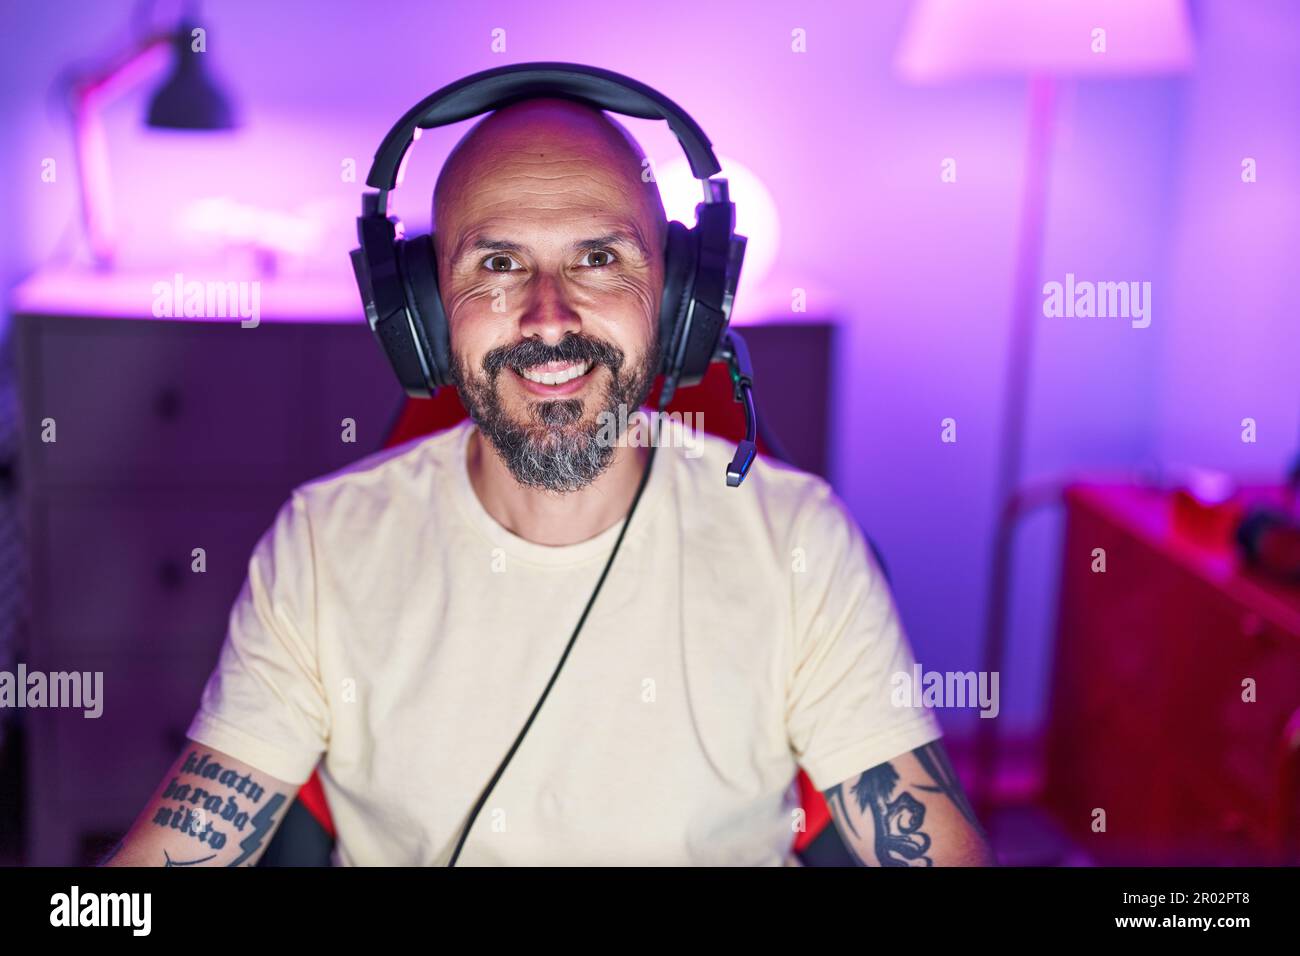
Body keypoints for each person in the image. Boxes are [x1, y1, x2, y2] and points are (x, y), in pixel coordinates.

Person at [104, 96, 995, 867]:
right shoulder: (323, 546)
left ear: (679, 299)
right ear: (422, 314)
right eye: (497, 264)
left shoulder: (799, 542)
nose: (549, 316)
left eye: (598, 258)